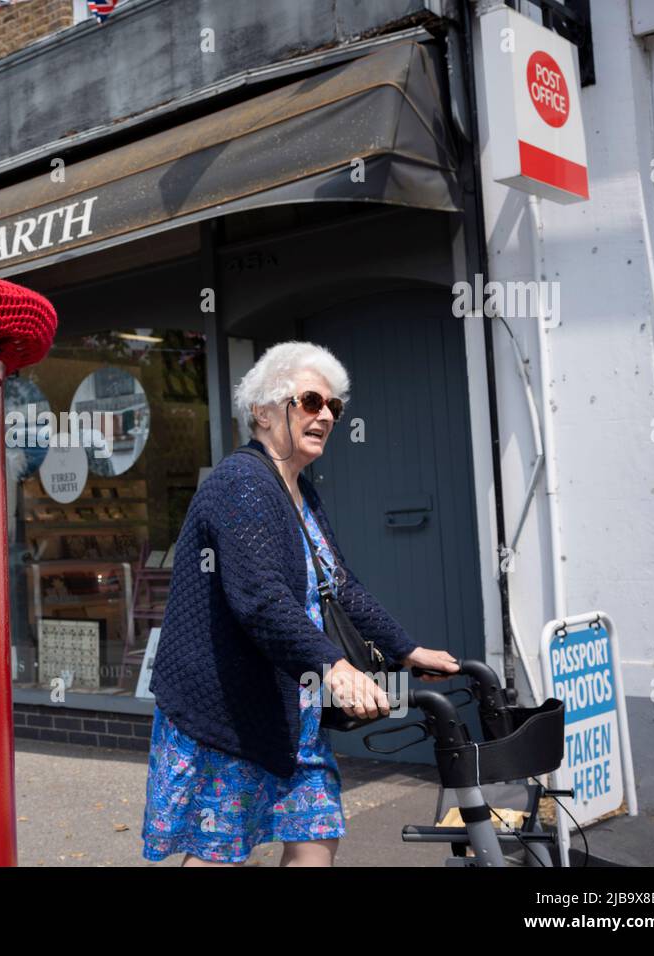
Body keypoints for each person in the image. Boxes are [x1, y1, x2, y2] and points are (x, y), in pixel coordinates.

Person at [142, 340, 459, 866]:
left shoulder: (301, 493)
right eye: (311, 401)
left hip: (294, 707)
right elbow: (261, 600)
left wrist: (406, 650)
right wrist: (334, 667)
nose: (327, 415)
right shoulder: (240, 483)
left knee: (316, 834)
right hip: (230, 711)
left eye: (334, 407)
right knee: (217, 852)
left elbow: (342, 588)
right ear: (265, 412)